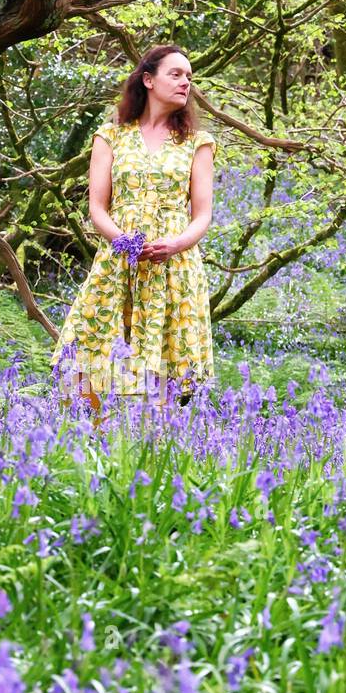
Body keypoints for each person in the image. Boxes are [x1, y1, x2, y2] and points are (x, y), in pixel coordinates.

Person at [51, 44, 216, 421]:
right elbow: (97, 208)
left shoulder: (197, 143)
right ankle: (90, 436)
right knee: (88, 359)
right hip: (119, 262)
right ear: (148, 79)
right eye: (176, 74)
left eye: (189, 77)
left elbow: (202, 215)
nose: (185, 82)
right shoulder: (111, 136)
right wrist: (123, 242)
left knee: (162, 365)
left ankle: (150, 449)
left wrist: (174, 244)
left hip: (172, 267)